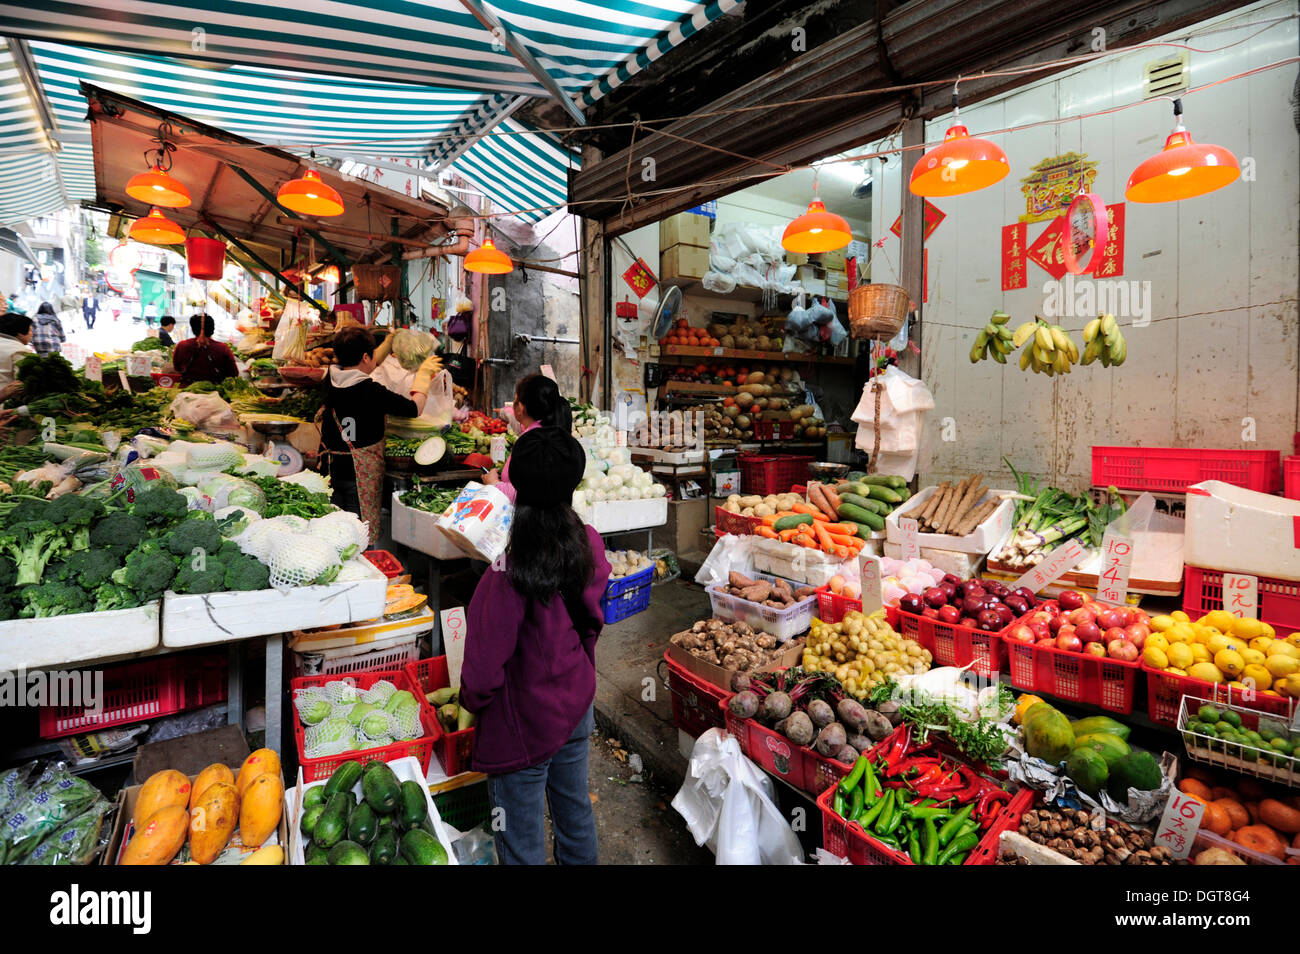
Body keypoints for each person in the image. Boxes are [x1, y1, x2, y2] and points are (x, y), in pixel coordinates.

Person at [461, 427, 611, 865]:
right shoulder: (590, 543)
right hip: (575, 702)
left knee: (519, 833)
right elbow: (593, 621)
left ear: (515, 486)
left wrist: (473, 703)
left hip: (522, 720)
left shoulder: (507, 565)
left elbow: (484, 666)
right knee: (574, 811)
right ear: (574, 483)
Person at [319, 325, 438, 545]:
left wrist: (388, 342)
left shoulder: (330, 379)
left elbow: (363, 366)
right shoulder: (372, 392)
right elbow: (414, 409)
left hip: (332, 470)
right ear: (366, 356)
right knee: (358, 536)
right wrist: (423, 375)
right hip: (360, 480)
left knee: (335, 531)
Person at [482, 373, 573, 501]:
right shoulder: (548, 432)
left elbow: (528, 493)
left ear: (520, 408)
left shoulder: (536, 443)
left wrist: (494, 484)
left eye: (515, 400)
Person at [172, 315, 239, 386]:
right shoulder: (223, 348)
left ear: (193, 329)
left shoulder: (182, 345)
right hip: (215, 391)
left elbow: (177, 368)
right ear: (213, 329)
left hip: (186, 390)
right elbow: (233, 373)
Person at [0, 313, 34, 389]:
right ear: (20, 333)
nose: (32, 334)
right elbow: (24, 382)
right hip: (6, 398)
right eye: (30, 330)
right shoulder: (19, 350)